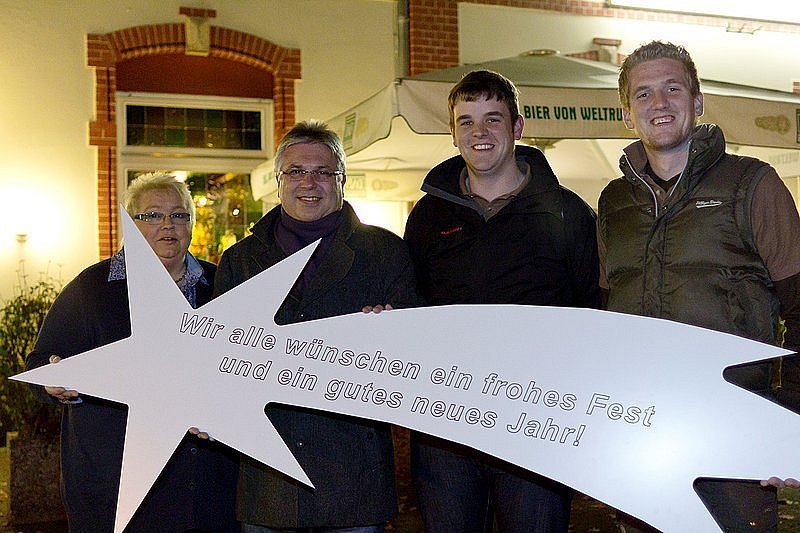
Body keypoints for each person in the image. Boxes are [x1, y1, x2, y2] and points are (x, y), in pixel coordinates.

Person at [597, 40, 800, 532]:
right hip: (640, 432)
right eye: (643, 94)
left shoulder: (753, 184)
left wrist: (789, 426)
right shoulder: (612, 203)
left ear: (698, 101)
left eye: (673, 88)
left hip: (733, 428)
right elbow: (605, 321)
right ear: (627, 114)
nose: (659, 103)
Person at [403, 69, 601, 532]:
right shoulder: (429, 215)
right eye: (466, 121)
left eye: (493, 119)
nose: (479, 133)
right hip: (444, 417)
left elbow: (592, 309)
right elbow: (410, 304)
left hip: (536, 415)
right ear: (452, 134)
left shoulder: (567, 212)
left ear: (517, 128)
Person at [213, 120, 422, 532]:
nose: (309, 182)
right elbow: (218, 360)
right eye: (296, 171)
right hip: (269, 479)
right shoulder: (240, 259)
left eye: (323, 172)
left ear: (342, 181)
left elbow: (413, 356)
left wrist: (392, 333)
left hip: (353, 479)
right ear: (279, 181)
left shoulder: (384, 251)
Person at [26, 172, 239, 532]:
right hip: (119, 490)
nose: (167, 225)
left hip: (206, 488)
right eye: (152, 215)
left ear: (191, 224)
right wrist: (54, 379)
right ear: (130, 223)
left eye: (179, 215)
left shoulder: (222, 285)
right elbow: (39, 364)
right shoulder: (91, 289)